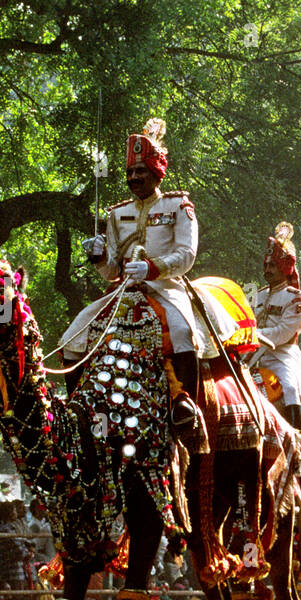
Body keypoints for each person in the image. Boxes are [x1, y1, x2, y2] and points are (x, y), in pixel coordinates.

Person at [62, 118, 236, 438]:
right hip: (124, 292)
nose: (133, 178)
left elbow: (186, 255)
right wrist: (99, 257)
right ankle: (77, 410)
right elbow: (112, 270)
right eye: (129, 173)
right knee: (72, 336)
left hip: (167, 287)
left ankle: (185, 406)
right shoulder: (117, 214)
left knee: (183, 331)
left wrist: (153, 269)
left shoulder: (178, 205)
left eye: (140, 171)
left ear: (157, 172)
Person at [248, 221, 301, 430]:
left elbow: (284, 333)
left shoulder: (294, 298)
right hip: (253, 353)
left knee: (289, 386)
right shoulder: (257, 295)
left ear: (285, 268)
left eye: (273, 266)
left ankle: (298, 438)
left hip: (282, 355)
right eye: (266, 266)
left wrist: (254, 334)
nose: (267, 270)